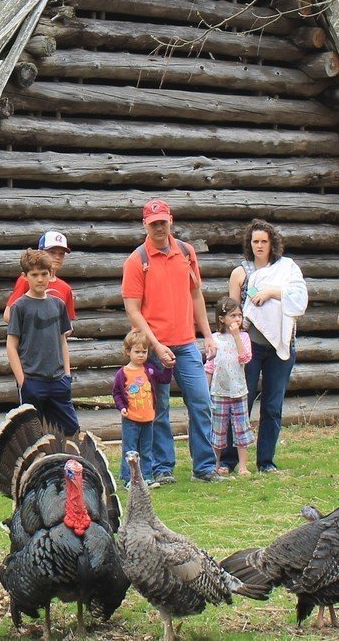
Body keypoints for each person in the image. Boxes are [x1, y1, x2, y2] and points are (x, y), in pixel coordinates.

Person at [121, 198, 223, 484]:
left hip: (186, 343)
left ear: (171, 221)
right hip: (153, 349)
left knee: (201, 402)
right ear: (145, 225)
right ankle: (163, 467)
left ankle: (204, 467)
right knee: (159, 409)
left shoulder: (186, 252)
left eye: (163, 222)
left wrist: (207, 335)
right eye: (153, 223)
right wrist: (155, 345)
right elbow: (132, 310)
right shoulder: (136, 260)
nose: (159, 228)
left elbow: (195, 295)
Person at [222, 219, 308, 475]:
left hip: (281, 346)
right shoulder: (240, 273)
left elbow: (299, 297)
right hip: (251, 347)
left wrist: (271, 292)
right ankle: (229, 459)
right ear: (249, 244)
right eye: (255, 241)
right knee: (241, 401)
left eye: (264, 241)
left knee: (272, 405)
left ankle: (266, 460)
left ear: (272, 244)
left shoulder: (286, 269)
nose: (259, 246)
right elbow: (232, 312)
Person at [6, 248, 77, 435]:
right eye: (34, 275)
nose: (40, 279)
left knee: (71, 432)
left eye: (44, 274)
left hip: (58, 381)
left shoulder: (58, 304)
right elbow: (11, 346)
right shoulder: (19, 306)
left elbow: (63, 342)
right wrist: (23, 383)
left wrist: (67, 376)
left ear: (50, 273)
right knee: (33, 436)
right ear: (25, 277)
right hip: (32, 381)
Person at [112, 328, 171, 487]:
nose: (141, 355)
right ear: (128, 352)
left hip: (148, 418)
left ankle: (147, 477)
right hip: (131, 418)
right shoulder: (123, 373)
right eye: (137, 352)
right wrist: (121, 407)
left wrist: (168, 366)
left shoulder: (149, 370)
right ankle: (128, 479)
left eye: (144, 352)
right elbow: (116, 393)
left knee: (146, 449)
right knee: (130, 449)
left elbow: (164, 379)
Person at [207, 298, 255, 476]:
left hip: (239, 391)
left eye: (239, 315)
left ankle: (243, 466)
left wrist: (236, 336)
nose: (237, 319)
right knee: (218, 430)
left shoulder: (244, 337)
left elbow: (245, 358)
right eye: (233, 315)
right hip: (218, 392)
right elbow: (209, 366)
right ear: (222, 318)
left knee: (241, 428)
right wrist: (206, 390)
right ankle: (214, 465)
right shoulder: (214, 339)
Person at [3, 231, 76, 322]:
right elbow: (8, 315)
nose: (57, 257)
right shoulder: (27, 280)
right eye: (52, 252)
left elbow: (68, 322)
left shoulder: (66, 288)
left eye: (61, 254)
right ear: (40, 252)